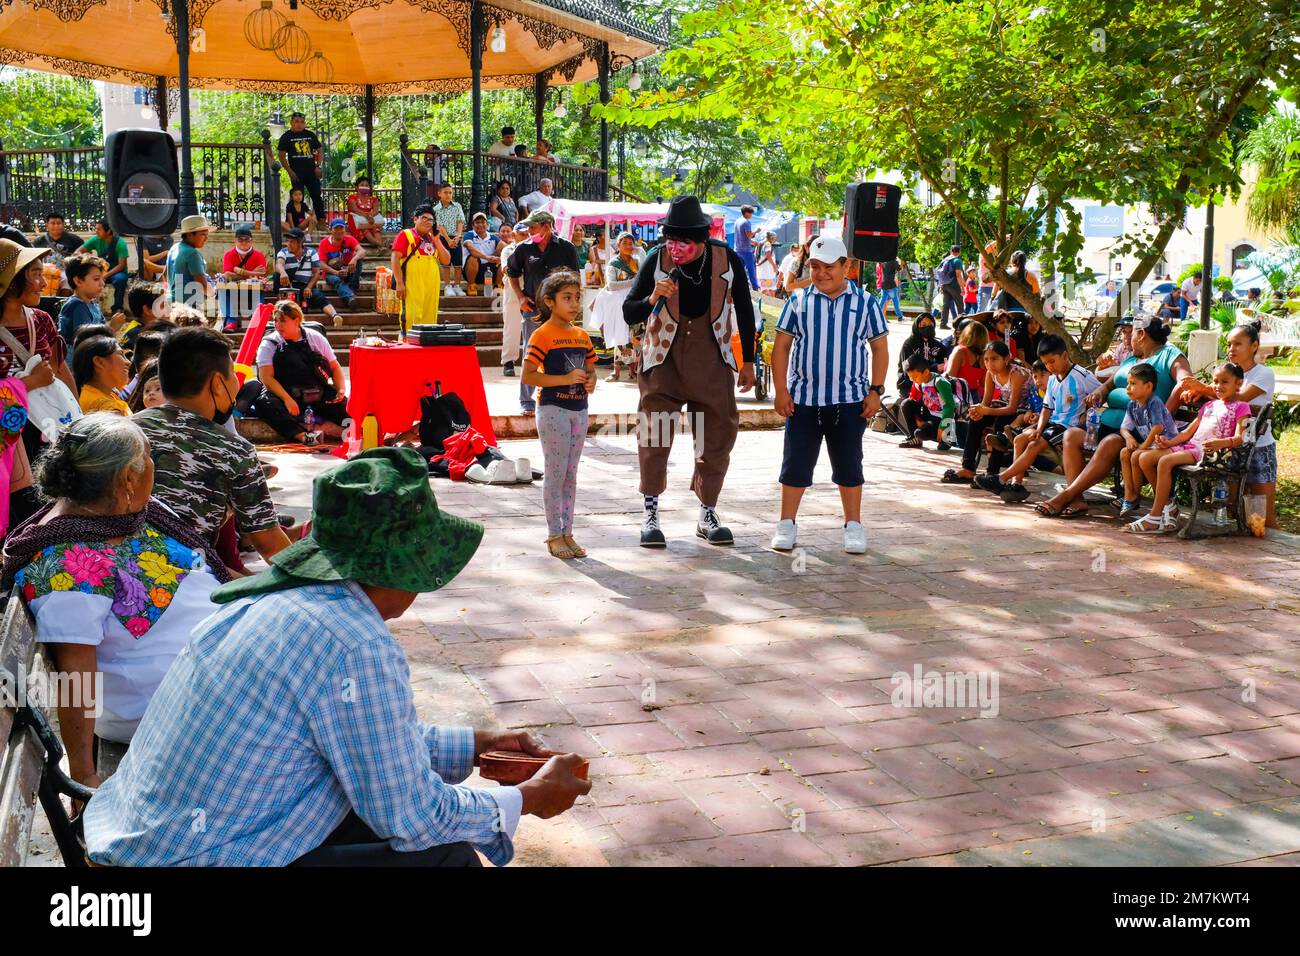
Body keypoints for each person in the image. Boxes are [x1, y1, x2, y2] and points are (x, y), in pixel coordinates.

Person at [81, 446, 591, 866]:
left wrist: (479, 746)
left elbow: (367, 745)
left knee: (385, 813)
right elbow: (412, 815)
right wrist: (527, 800)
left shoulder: (281, 600)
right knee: (444, 856)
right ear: (400, 570)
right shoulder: (354, 643)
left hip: (147, 835)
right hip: (195, 856)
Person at [2, 415, 230, 786]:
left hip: (207, 673)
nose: (153, 467)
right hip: (169, 706)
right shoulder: (68, 566)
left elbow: (203, 569)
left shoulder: (130, 513)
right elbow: (76, 675)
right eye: (150, 458)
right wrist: (84, 775)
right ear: (127, 477)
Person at [623, 195, 757, 547]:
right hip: (662, 363)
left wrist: (748, 360)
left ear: (700, 241)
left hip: (711, 359)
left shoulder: (726, 260)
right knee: (654, 435)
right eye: (671, 240)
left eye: (683, 241)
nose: (676, 247)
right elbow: (629, 312)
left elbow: (744, 308)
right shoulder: (656, 259)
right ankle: (650, 512)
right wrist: (653, 297)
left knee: (718, 434)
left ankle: (707, 510)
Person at [769, 234, 888, 555]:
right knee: (795, 466)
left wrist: (876, 390)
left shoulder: (866, 303)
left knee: (850, 466)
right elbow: (781, 347)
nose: (821, 273)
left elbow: (879, 348)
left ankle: (853, 525)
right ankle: (786, 523)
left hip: (849, 404)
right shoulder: (798, 301)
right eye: (815, 267)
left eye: (828, 267)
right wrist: (781, 390)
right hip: (803, 402)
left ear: (846, 267)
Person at [133, 327, 292, 561]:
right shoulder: (235, 451)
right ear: (218, 383)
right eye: (232, 378)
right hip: (182, 584)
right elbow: (271, 547)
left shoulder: (124, 430)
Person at [1035, 314, 1193, 517]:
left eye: (1130, 333)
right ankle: (1077, 500)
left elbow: (1185, 382)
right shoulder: (1132, 359)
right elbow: (1110, 383)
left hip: (1138, 432)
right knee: (1072, 435)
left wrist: (1163, 416)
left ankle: (1066, 496)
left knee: (1110, 443)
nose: (1127, 338)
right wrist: (1100, 392)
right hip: (1108, 424)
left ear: (1142, 333)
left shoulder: (1169, 355)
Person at [522, 272, 597, 559]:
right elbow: (528, 375)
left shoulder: (581, 335)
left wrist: (591, 381)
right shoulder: (542, 335)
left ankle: (568, 532)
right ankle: (554, 534)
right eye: (567, 298)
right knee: (555, 474)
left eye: (577, 297)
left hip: (579, 412)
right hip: (553, 411)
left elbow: (590, 370)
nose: (574, 303)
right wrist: (563, 378)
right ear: (549, 302)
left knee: (570, 475)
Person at [974, 335, 1101, 504]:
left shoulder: (1082, 375)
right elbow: (1047, 408)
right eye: (1046, 363)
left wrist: (1090, 408)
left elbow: (1101, 393)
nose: (1049, 367)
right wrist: (1039, 428)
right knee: (1020, 439)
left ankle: (999, 478)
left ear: (1064, 356)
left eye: (1052, 362)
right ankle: (1016, 485)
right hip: (1052, 425)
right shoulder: (1054, 381)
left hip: (1070, 427)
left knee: (1035, 444)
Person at [1125, 363, 1251, 534]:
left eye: (1225, 382)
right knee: (1144, 458)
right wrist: (1168, 443)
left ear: (1238, 383)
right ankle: (1169, 505)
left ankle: (1155, 516)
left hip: (1209, 453)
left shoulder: (1242, 407)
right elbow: (1187, 432)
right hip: (1190, 446)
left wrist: (1222, 443)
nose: (1218, 386)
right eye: (1215, 381)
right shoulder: (1209, 406)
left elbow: (1240, 438)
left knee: (1165, 461)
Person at [1176, 320, 1278, 528]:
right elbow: (1220, 403)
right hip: (1229, 451)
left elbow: (1240, 397)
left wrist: (1203, 388)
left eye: (1238, 344)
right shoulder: (1226, 375)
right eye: (1229, 344)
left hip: (1258, 449)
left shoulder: (1263, 373)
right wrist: (1196, 393)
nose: (1231, 350)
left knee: (1263, 516)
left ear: (1254, 346)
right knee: (1232, 508)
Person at [0, 240, 77, 508]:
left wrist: (77, 418)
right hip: (8, 439)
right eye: (34, 274)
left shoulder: (41, 319)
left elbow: (59, 370)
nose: (43, 284)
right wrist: (30, 383)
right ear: (10, 282)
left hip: (47, 427)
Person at [507, 210, 580, 415]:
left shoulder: (566, 248)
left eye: (533, 227)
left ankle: (562, 395)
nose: (529, 231)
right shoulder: (523, 249)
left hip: (560, 310)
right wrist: (520, 296)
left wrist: (572, 305)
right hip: (533, 309)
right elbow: (511, 272)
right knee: (531, 353)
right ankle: (526, 400)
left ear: (547, 227)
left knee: (561, 351)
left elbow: (574, 279)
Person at [247, 299, 348, 445]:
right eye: (275, 320)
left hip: (316, 393)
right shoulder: (269, 343)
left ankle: (343, 430)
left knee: (347, 408)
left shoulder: (315, 338)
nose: (277, 325)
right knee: (264, 403)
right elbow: (266, 378)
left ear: (296, 320)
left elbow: (335, 367)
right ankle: (302, 436)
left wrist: (341, 389)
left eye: (283, 321)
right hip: (285, 395)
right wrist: (287, 399)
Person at [941, 340, 1030, 485]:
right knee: (976, 420)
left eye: (994, 359)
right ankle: (968, 468)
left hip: (1024, 412)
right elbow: (986, 403)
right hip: (1004, 408)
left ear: (1006, 359)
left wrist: (986, 410)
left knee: (1000, 423)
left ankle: (992, 473)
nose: (990, 363)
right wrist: (978, 411)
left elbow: (1013, 408)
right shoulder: (990, 374)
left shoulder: (1016, 374)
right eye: (986, 360)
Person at [1112, 362, 1178, 520]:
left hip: (1167, 443)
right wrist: (1129, 438)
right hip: (1152, 444)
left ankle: (1155, 499)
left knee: (1136, 456)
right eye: (1128, 383)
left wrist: (1143, 446)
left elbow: (1158, 427)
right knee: (1124, 452)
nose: (1128, 388)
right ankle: (1130, 495)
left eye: (1133, 383)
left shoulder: (1154, 402)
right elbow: (1124, 428)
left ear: (1148, 387)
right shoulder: (1132, 406)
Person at [390, 205, 452, 337]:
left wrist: (437, 241)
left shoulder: (433, 238)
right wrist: (400, 282)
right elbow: (395, 258)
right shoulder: (406, 234)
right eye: (424, 218)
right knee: (411, 316)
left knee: (429, 317)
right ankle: (407, 345)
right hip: (412, 283)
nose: (428, 222)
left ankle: (426, 347)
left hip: (431, 284)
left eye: (431, 220)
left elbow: (446, 261)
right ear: (415, 219)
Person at [594, 231, 640, 382]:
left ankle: (633, 371)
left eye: (630, 243)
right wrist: (632, 282)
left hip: (634, 302)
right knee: (620, 335)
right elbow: (612, 285)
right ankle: (617, 372)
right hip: (619, 304)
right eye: (624, 243)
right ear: (618, 245)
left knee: (634, 335)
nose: (628, 246)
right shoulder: (613, 264)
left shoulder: (637, 262)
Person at [276, 228, 341, 324]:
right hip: (288, 286)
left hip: (305, 286)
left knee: (319, 297)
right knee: (277, 276)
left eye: (292, 242)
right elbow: (278, 264)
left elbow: (316, 273)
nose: (288, 244)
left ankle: (335, 316)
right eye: (288, 241)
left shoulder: (311, 252)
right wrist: (282, 272)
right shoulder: (283, 252)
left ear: (300, 243)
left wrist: (309, 287)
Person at [899, 354, 961, 451]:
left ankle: (948, 437)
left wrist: (943, 426)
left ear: (926, 372)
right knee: (906, 404)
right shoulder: (918, 383)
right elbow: (912, 400)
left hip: (945, 417)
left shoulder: (940, 382)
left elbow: (949, 406)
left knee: (942, 447)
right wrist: (917, 419)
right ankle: (915, 439)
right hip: (931, 415)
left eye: (915, 377)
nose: (913, 380)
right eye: (910, 378)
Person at [277, 112, 326, 224]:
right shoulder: (286, 137)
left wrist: (318, 166)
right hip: (296, 173)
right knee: (297, 198)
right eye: (296, 121)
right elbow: (281, 156)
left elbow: (320, 150)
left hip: (311, 172)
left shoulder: (310, 135)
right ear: (291, 122)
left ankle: (321, 221)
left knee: (316, 196)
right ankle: (293, 222)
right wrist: (290, 171)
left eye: (302, 122)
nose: (299, 124)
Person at [218, 226, 268, 333]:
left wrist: (238, 272)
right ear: (235, 241)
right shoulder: (229, 255)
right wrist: (252, 273)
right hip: (233, 290)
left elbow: (261, 274)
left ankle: (257, 322)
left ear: (251, 241)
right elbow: (227, 274)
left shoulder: (259, 255)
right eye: (240, 240)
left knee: (258, 291)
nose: (243, 242)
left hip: (252, 290)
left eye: (247, 239)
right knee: (222, 289)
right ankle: (231, 321)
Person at [57, 253, 111, 344]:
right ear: (78, 281)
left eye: (103, 279)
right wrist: (112, 327)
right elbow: (86, 340)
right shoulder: (76, 305)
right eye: (96, 279)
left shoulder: (92, 304)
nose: (102, 284)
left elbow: (102, 326)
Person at [78, 220, 130, 313]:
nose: (96, 231)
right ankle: (88, 306)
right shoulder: (95, 239)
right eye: (96, 229)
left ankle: (117, 309)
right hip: (100, 272)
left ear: (108, 231)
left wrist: (104, 276)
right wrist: (86, 257)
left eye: (99, 229)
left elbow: (121, 265)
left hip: (116, 273)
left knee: (120, 280)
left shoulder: (120, 243)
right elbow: (78, 252)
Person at [72, 335, 130, 415]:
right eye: (121, 354)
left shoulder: (108, 394)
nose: (128, 362)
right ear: (99, 362)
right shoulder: (105, 407)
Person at [164, 214, 210, 310]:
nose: (206, 239)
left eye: (207, 235)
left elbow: (164, 275)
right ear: (189, 235)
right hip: (188, 307)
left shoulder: (174, 248)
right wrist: (216, 293)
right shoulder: (192, 253)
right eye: (202, 235)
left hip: (172, 303)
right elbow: (202, 286)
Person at [318, 218, 365, 309]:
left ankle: (348, 292)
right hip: (331, 273)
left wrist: (354, 259)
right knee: (336, 280)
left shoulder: (350, 239)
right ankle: (350, 297)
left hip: (348, 270)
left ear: (345, 229)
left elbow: (362, 251)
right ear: (331, 230)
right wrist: (336, 273)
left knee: (359, 259)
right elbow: (322, 264)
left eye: (341, 228)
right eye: (336, 228)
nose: (339, 231)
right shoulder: (324, 243)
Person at [896, 311, 946, 395]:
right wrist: (934, 367)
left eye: (931, 324)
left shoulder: (938, 345)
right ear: (917, 326)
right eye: (923, 325)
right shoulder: (909, 344)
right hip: (910, 384)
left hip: (933, 383)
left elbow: (944, 363)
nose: (928, 327)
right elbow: (908, 369)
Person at [498, 224, 524, 376]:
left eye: (527, 233)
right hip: (513, 290)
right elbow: (506, 269)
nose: (525, 236)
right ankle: (508, 362)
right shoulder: (508, 250)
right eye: (521, 234)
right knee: (511, 328)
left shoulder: (535, 248)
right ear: (514, 235)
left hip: (531, 289)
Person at [432, 184, 468, 297]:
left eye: (450, 193)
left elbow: (460, 221)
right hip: (443, 238)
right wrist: (448, 240)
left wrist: (458, 236)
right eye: (445, 192)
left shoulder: (457, 206)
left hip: (456, 238)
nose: (448, 195)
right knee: (446, 263)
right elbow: (440, 226)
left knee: (458, 264)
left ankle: (457, 286)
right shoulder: (436, 209)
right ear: (439, 194)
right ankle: (447, 286)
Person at [32, 212, 82, 291]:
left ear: (63, 225)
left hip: (65, 272)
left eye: (58, 223)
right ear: (47, 226)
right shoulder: (39, 241)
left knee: (67, 281)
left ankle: (63, 302)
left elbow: (86, 254)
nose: (56, 226)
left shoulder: (74, 240)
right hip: (45, 273)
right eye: (52, 223)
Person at [945, 319, 987, 398]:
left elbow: (949, 377)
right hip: (974, 396)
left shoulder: (960, 351)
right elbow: (983, 382)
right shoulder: (985, 355)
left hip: (957, 395)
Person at [462, 212, 502, 296]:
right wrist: (487, 257)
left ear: (487, 225)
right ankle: (471, 285)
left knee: (503, 258)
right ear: (473, 225)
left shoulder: (493, 237)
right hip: (472, 271)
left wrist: (498, 257)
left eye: (483, 222)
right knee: (473, 257)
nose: (480, 224)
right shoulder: (469, 235)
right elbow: (471, 249)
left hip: (490, 270)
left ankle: (497, 285)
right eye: (477, 222)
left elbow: (503, 246)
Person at [346, 175, 385, 246]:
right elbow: (354, 210)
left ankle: (380, 245)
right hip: (357, 220)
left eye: (367, 185)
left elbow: (376, 210)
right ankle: (381, 245)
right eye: (362, 185)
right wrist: (367, 216)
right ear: (356, 187)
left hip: (370, 219)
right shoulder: (352, 197)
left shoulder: (374, 199)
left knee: (374, 227)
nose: (364, 186)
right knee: (365, 228)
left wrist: (370, 216)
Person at [935, 244, 965, 329]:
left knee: (946, 305)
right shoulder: (957, 261)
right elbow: (958, 275)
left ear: (951, 251)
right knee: (960, 305)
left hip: (944, 285)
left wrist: (941, 285)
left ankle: (943, 324)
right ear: (959, 252)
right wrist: (962, 288)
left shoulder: (945, 260)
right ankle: (961, 325)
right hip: (953, 285)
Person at [733, 204, 759, 291]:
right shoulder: (746, 222)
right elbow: (749, 235)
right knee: (751, 269)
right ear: (747, 213)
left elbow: (741, 236)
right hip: (746, 251)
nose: (751, 215)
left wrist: (752, 242)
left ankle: (738, 286)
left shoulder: (737, 221)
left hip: (737, 250)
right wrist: (756, 231)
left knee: (739, 270)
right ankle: (755, 288)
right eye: (751, 213)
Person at [876, 254, 904, 319]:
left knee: (882, 301)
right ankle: (900, 316)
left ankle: (876, 313)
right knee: (895, 302)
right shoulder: (893, 260)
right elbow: (900, 269)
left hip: (883, 284)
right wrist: (900, 262)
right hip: (891, 285)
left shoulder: (883, 260)